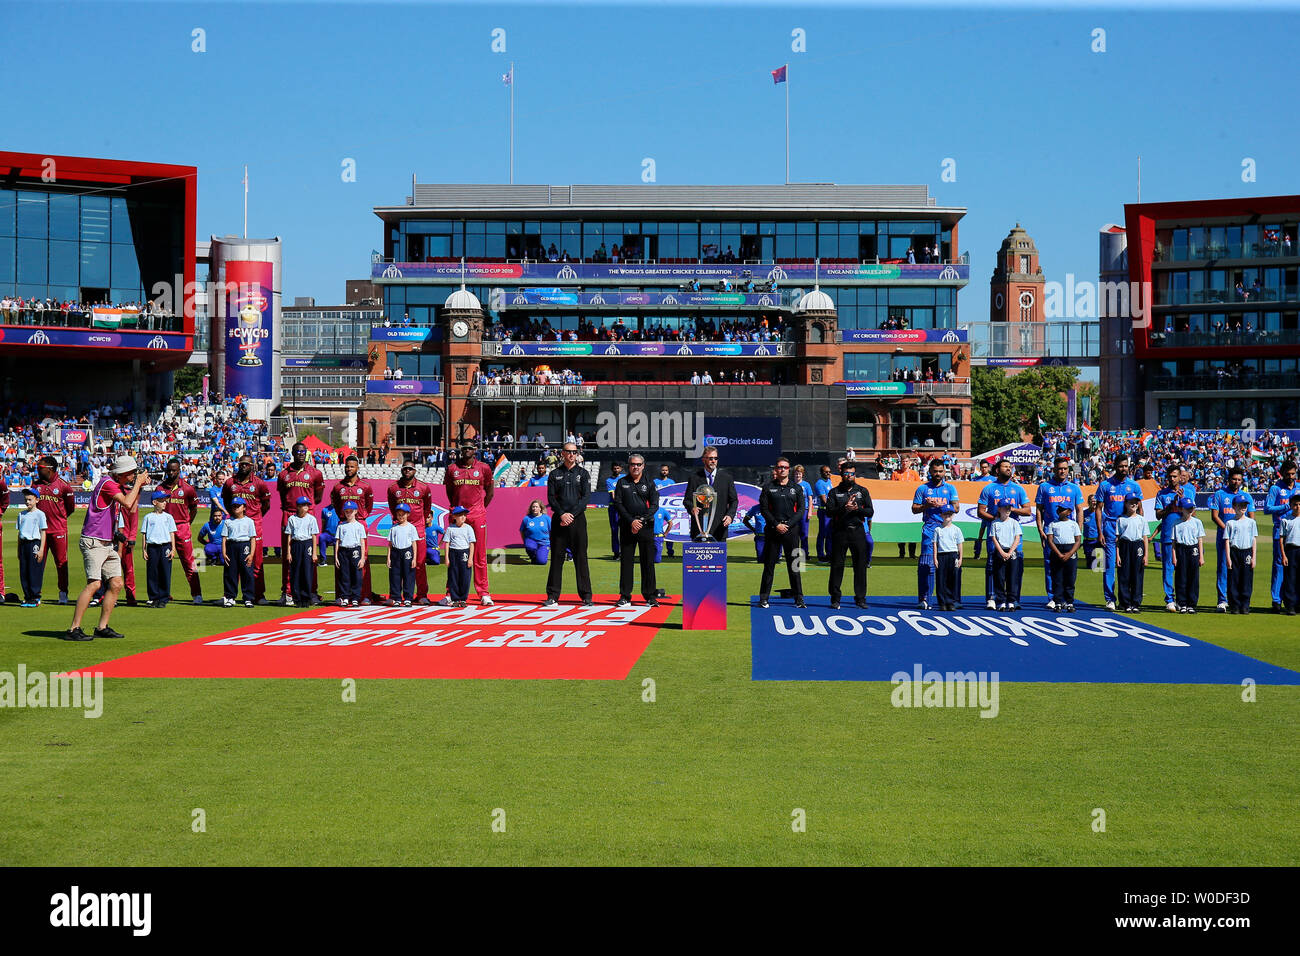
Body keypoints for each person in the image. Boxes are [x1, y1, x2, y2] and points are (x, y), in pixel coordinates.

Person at [65, 455, 146, 641]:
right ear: (122, 473)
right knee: (94, 584)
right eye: (132, 472)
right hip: (94, 541)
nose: (134, 475)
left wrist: (138, 486)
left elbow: (131, 508)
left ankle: (102, 627)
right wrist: (138, 483)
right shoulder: (107, 483)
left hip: (107, 541)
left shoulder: (115, 485)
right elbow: (127, 502)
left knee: (117, 583)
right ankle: (73, 628)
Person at [443, 444, 495, 606]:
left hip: (477, 515)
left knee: (479, 555)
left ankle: (484, 593)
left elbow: (490, 491)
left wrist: (480, 508)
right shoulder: (452, 469)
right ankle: (451, 593)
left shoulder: (484, 468)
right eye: (464, 447)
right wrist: (458, 511)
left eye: (470, 447)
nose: (467, 450)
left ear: (475, 450)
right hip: (457, 515)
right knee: (454, 556)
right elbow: (450, 492)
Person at [543, 442, 593, 607]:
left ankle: (586, 596)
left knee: (581, 558)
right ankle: (552, 595)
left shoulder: (583, 473)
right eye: (568, 452)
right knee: (557, 558)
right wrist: (562, 514)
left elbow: (586, 498)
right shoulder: (554, 474)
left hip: (578, 520)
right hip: (559, 520)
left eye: (574, 452)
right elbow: (551, 498)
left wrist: (572, 515)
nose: (571, 455)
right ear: (562, 453)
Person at [979, 457, 1030, 610]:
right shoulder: (988, 488)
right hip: (996, 534)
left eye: (1010, 466)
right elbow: (980, 511)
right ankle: (991, 598)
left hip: (1014, 536)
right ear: (997, 470)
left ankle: (1014, 599)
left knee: (1015, 568)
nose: (1009, 469)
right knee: (992, 566)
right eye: (1005, 466)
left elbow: (1027, 510)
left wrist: (1011, 510)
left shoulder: (1018, 488)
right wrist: (995, 518)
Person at [277, 442, 325, 605]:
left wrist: (305, 509)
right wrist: (293, 510)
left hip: (308, 514)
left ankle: (311, 591)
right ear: (292, 453)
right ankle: (287, 592)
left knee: (311, 557)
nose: (300, 454)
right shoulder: (284, 474)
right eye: (297, 451)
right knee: (288, 556)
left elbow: (318, 497)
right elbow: (283, 496)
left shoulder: (315, 473)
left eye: (303, 452)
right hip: (289, 514)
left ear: (307, 454)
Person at [1035, 456, 1084, 610]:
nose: (1062, 471)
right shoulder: (1044, 487)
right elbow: (1039, 510)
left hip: (1069, 534)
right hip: (1051, 534)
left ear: (1068, 470)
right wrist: (1040, 530)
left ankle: (1067, 599)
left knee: (1069, 569)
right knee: (1051, 566)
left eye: (1064, 468)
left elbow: (1079, 509)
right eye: (1059, 468)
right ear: (1054, 469)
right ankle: (1052, 597)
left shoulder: (1074, 488)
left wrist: (1079, 530)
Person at [1095, 454, 1143, 612]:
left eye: (1125, 466)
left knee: (1128, 566)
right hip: (1110, 526)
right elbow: (1098, 509)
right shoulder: (1105, 485)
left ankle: (1127, 600)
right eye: (1121, 466)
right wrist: (1100, 531)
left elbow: (1140, 509)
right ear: (1115, 466)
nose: (1124, 469)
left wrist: (1141, 529)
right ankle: (1110, 599)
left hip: (1129, 528)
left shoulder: (1134, 485)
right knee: (1110, 564)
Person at [223, 454, 273, 604]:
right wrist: (234, 515)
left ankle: (258, 595)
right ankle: (231, 596)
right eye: (241, 464)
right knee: (233, 563)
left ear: (252, 466)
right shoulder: (230, 482)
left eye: (247, 464)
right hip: (235, 524)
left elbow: (266, 504)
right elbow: (226, 501)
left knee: (255, 562)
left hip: (253, 523)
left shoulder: (259, 483)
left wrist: (255, 517)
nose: (243, 466)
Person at [824, 460, 873, 609]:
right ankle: (835, 598)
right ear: (841, 474)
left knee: (860, 566)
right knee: (837, 565)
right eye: (846, 473)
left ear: (855, 474)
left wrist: (857, 509)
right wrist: (844, 508)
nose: (849, 476)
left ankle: (860, 599)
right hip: (840, 531)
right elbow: (829, 512)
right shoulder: (834, 492)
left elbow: (870, 511)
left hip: (857, 531)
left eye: (852, 473)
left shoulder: (862, 491)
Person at [757, 457, 805, 608]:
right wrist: (776, 524)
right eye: (779, 467)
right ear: (776, 470)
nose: (782, 469)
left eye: (785, 467)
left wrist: (788, 525)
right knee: (769, 566)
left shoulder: (797, 488)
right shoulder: (768, 487)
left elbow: (802, 510)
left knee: (795, 566)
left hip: (792, 532)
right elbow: (764, 509)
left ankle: (799, 599)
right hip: (773, 531)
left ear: (789, 469)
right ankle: (764, 598)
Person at [613, 454, 660, 608]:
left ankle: (650, 596)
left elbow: (654, 505)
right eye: (633, 464)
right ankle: (625, 596)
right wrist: (631, 521)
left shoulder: (650, 483)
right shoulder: (622, 482)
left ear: (643, 466)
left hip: (645, 526)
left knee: (647, 562)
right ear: (629, 465)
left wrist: (641, 520)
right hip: (627, 526)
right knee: (626, 562)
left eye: (639, 464)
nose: (636, 467)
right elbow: (618, 504)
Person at [912, 459, 959, 610]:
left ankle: (949, 599)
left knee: (949, 565)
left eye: (940, 471)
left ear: (944, 472)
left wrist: (942, 506)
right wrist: (928, 505)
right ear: (930, 472)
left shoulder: (950, 488)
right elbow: (914, 508)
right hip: (930, 528)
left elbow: (956, 508)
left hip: (947, 528)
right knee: (927, 564)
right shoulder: (923, 488)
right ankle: (925, 598)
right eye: (935, 471)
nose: (938, 474)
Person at [158, 458, 203, 605]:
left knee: (189, 561)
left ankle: (197, 594)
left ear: (179, 470)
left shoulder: (188, 488)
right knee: (162, 562)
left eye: (174, 470)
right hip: (164, 529)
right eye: (169, 470)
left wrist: (187, 523)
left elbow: (194, 508)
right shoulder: (160, 488)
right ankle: (163, 594)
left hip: (182, 528)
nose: (171, 473)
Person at [34, 455, 78, 605]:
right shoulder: (35, 485)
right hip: (40, 532)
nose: (37, 470)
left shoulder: (64, 486)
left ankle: (63, 592)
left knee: (61, 563)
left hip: (58, 530)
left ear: (50, 469)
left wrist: (59, 519)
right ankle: (35, 594)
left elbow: (70, 508)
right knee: (38, 562)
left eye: (40, 468)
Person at [389, 459, 434, 603]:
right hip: (400, 527)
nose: (407, 471)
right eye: (405, 468)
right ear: (402, 470)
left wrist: (418, 523)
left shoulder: (423, 487)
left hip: (418, 528)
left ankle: (421, 595)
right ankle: (396, 596)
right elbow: (392, 507)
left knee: (419, 563)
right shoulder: (393, 488)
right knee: (397, 564)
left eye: (410, 469)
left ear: (415, 471)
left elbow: (427, 508)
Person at [330, 455, 373, 599]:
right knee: (341, 562)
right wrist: (344, 518)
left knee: (363, 560)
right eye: (347, 466)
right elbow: (336, 505)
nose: (349, 469)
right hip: (343, 524)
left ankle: (364, 595)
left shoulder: (365, 486)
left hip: (360, 523)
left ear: (357, 468)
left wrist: (360, 517)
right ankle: (342, 595)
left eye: (352, 466)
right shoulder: (338, 487)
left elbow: (369, 506)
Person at [1209, 466, 1252, 612]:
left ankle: (1239, 600)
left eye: (1239, 479)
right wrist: (1227, 531)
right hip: (1224, 538)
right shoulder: (1220, 494)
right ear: (1229, 479)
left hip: (1242, 541)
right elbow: (1215, 516)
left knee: (1241, 570)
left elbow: (1251, 519)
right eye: (1234, 479)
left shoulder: (1246, 496)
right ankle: (1222, 600)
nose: (1236, 481)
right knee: (1223, 567)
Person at [1265, 459, 1297, 612]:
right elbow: (1267, 508)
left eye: (1293, 473)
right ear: (1282, 473)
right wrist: (1286, 506)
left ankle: (1294, 599)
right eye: (1288, 474)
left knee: (1295, 566)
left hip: (1296, 531)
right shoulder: (1275, 488)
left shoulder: (1298, 487)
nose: (1291, 476)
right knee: (1279, 565)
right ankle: (1276, 600)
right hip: (1280, 530)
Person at [687, 446, 737, 542]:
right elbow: (687, 500)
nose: (713, 461)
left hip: (719, 528)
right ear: (703, 459)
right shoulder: (694, 478)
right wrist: (691, 508)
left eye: (715, 458)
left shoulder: (727, 478)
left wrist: (730, 515)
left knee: (718, 557)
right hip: (699, 530)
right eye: (710, 458)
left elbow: (734, 500)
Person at [1153, 464, 1184, 612]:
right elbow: (1158, 515)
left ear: (1180, 477)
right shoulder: (1162, 494)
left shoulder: (1188, 491)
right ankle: (1169, 599)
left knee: (1182, 569)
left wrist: (1182, 501)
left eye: (1175, 476)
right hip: (1167, 536)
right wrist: (1170, 506)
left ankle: (1181, 598)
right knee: (1168, 568)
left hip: (1183, 537)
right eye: (1170, 476)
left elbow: (1193, 514)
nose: (1172, 479)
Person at [140, 489, 178, 608]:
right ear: (155, 502)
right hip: (152, 547)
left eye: (165, 501)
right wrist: (144, 549)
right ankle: (153, 597)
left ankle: (163, 597)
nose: (164, 503)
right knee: (152, 573)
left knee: (165, 573)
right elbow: (144, 534)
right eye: (162, 501)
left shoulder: (168, 517)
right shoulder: (148, 517)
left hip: (165, 546)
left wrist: (173, 548)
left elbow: (172, 533)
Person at [221, 498, 258, 608]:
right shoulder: (228, 521)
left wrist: (251, 554)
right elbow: (224, 538)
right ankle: (230, 597)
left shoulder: (249, 521)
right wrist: (224, 552)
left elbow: (252, 538)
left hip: (244, 546)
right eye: (234, 506)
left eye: (238, 506)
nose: (236, 508)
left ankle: (248, 598)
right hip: (231, 546)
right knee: (230, 573)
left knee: (247, 572)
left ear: (244, 507)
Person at [1224, 494, 1258, 614]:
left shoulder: (1251, 522)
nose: (1243, 507)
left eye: (1244, 505)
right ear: (1234, 506)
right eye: (1240, 505)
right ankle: (1235, 605)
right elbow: (1227, 541)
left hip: (1247, 552)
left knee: (1246, 579)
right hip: (1234, 552)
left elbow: (1254, 539)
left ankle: (1245, 605)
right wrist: (1228, 558)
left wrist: (1254, 557)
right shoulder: (1230, 523)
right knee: (1234, 579)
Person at [1171, 497, 1205, 613]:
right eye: (1187, 508)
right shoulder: (1177, 523)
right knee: (1181, 577)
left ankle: (1191, 603)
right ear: (1181, 509)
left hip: (1193, 549)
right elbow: (1174, 543)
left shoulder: (1197, 522)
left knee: (1193, 577)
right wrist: (1174, 556)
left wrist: (1201, 556)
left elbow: (1200, 540)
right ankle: (1182, 603)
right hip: (1181, 549)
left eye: (1191, 508)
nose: (1190, 510)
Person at [1115, 495, 1149, 612]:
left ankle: (1135, 603)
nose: (1134, 505)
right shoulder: (1121, 519)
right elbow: (1118, 539)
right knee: (1124, 575)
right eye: (1131, 502)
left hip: (1137, 546)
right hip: (1125, 545)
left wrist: (1146, 555)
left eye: (1136, 502)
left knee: (1137, 576)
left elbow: (1145, 538)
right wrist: (1117, 555)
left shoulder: (1142, 519)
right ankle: (1125, 603)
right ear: (1126, 504)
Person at [285, 495, 319, 608]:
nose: (306, 507)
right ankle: (297, 598)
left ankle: (306, 597)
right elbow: (289, 536)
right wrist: (288, 552)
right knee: (296, 572)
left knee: (307, 572)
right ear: (298, 507)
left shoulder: (311, 519)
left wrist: (314, 552)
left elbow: (314, 536)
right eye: (303, 505)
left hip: (307, 544)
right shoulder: (292, 519)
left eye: (307, 505)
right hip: (296, 544)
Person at [16, 488, 47, 607]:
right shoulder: (21, 514)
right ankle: (27, 597)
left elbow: (43, 532)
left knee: (34, 571)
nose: (27, 502)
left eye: (30, 499)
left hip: (34, 543)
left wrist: (42, 549)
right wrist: (18, 550)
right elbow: (19, 534)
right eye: (26, 500)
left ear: (36, 500)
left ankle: (35, 597)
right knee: (24, 571)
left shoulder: (40, 514)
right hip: (24, 545)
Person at [989, 501, 1022, 611]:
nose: (1007, 510)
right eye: (1005, 508)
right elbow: (994, 538)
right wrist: (1002, 552)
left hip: (1011, 551)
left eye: (1009, 508)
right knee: (999, 577)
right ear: (999, 509)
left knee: (1012, 577)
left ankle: (1011, 601)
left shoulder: (1014, 522)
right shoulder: (995, 523)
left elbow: (1017, 538)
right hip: (1000, 551)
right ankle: (1001, 601)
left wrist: (1010, 552)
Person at [333, 501, 367, 607]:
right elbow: (337, 542)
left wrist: (362, 558)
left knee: (356, 575)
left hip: (355, 550)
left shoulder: (359, 526)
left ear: (355, 512)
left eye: (351, 512)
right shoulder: (341, 526)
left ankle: (355, 597)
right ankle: (345, 597)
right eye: (346, 512)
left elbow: (362, 542)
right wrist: (336, 557)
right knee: (344, 575)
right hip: (343, 551)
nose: (348, 514)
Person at [386, 503, 419, 606]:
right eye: (399, 514)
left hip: (407, 552)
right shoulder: (394, 528)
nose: (401, 516)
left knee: (408, 575)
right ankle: (396, 598)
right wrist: (388, 558)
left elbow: (414, 543)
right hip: (396, 552)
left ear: (408, 514)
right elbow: (390, 544)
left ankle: (408, 598)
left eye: (403, 514)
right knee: (395, 576)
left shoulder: (411, 527)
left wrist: (414, 558)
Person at [444, 506, 476, 607]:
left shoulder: (468, 528)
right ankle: (455, 598)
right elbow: (447, 543)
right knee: (453, 576)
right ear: (454, 517)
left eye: (464, 515)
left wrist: (470, 558)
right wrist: (447, 558)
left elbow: (472, 543)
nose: (462, 517)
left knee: (465, 576)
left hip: (464, 553)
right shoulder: (450, 528)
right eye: (460, 515)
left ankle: (463, 598)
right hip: (453, 552)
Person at [933, 505, 964, 611]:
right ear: (941, 515)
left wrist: (960, 558)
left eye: (950, 514)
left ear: (953, 515)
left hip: (953, 555)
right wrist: (935, 558)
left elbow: (960, 544)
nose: (947, 516)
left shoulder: (957, 529)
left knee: (952, 579)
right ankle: (942, 602)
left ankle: (950, 602)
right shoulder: (938, 529)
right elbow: (935, 545)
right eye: (945, 514)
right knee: (941, 579)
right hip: (942, 555)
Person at [970, 459, 995, 559]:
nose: (984, 469)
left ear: (988, 468)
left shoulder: (993, 479)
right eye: (982, 467)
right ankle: (977, 553)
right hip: (979, 508)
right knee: (979, 534)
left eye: (985, 467)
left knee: (990, 533)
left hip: (990, 509)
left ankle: (991, 553)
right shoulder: (975, 480)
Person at [1280, 495, 1300, 615]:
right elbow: (1281, 539)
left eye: (1299, 504)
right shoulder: (1286, 520)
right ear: (1291, 506)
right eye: (1295, 504)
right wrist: (1283, 555)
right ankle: (1290, 605)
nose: (1297, 507)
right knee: (1290, 579)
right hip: (1291, 550)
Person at [654, 465, 677, 558]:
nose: (664, 472)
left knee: (670, 528)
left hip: (668, 509)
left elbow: (675, 494)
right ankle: (655, 552)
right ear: (660, 471)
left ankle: (670, 552)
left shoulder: (671, 482)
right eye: (663, 470)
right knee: (657, 528)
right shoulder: (655, 482)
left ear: (668, 471)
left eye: (666, 470)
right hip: (657, 510)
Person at [814, 464, 835, 563]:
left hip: (830, 511)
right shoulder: (819, 483)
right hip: (824, 511)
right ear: (821, 472)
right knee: (823, 534)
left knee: (830, 534)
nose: (828, 473)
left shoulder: (829, 481)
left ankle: (829, 554)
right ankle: (820, 555)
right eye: (826, 472)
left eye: (829, 471)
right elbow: (824, 499)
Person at [792, 464, 814, 558]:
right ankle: (795, 553)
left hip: (804, 511)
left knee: (804, 534)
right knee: (794, 534)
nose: (798, 475)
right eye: (796, 474)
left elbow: (810, 499)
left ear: (802, 474)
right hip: (793, 512)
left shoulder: (806, 485)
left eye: (799, 474)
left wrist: (809, 512)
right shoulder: (791, 484)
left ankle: (805, 554)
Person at [520, 500, 551, 565]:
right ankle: (533, 557)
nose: (534, 508)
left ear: (540, 508)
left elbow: (552, 531)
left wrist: (551, 542)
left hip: (544, 542)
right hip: (531, 540)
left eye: (536, 507)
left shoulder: (546, 518)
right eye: (533, 507)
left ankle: (539, 556)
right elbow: (522, 531)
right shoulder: (527, 518)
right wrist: (525, 541)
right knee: (530, 547)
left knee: (542, 562)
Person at [604, 462, 625, 560]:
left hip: (625, 508)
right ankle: (616, 552)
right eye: (614, 468)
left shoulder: (625, 477)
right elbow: (613, 496)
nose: (616, 470)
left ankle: (625, 552)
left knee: (626, 530)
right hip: (614, 508)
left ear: (621, 468)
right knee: (614, 530)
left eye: (618, 468)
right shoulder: (609, 480)